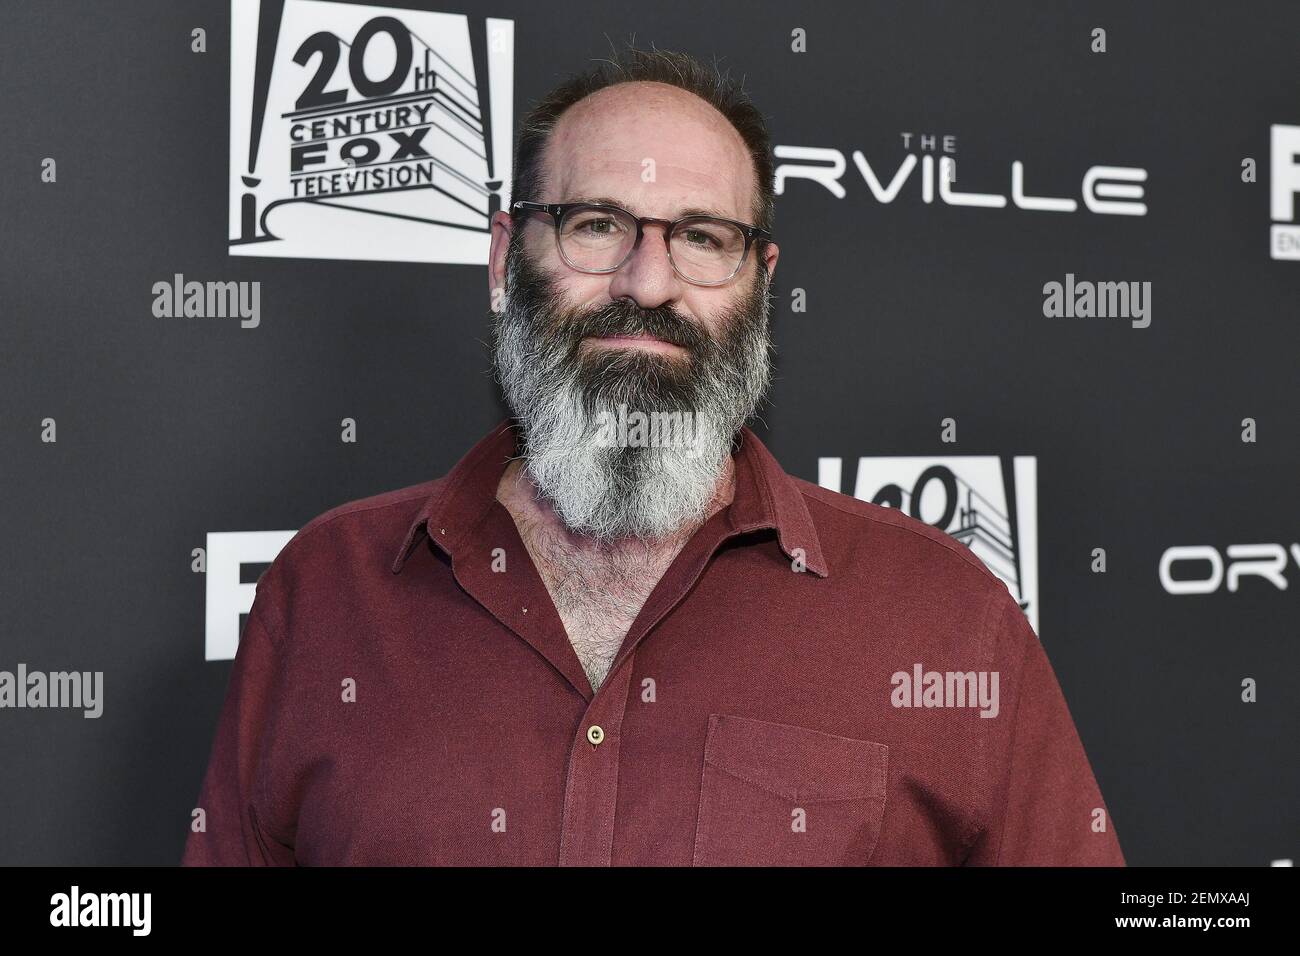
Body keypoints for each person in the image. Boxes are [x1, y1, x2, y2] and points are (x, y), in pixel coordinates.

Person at [182, 45, 1124, 866]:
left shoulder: (943, 618)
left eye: (703, 238)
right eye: (597, 225)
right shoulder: (325, 594)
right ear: (505, 259)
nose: (648, 281)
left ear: (760, 285)